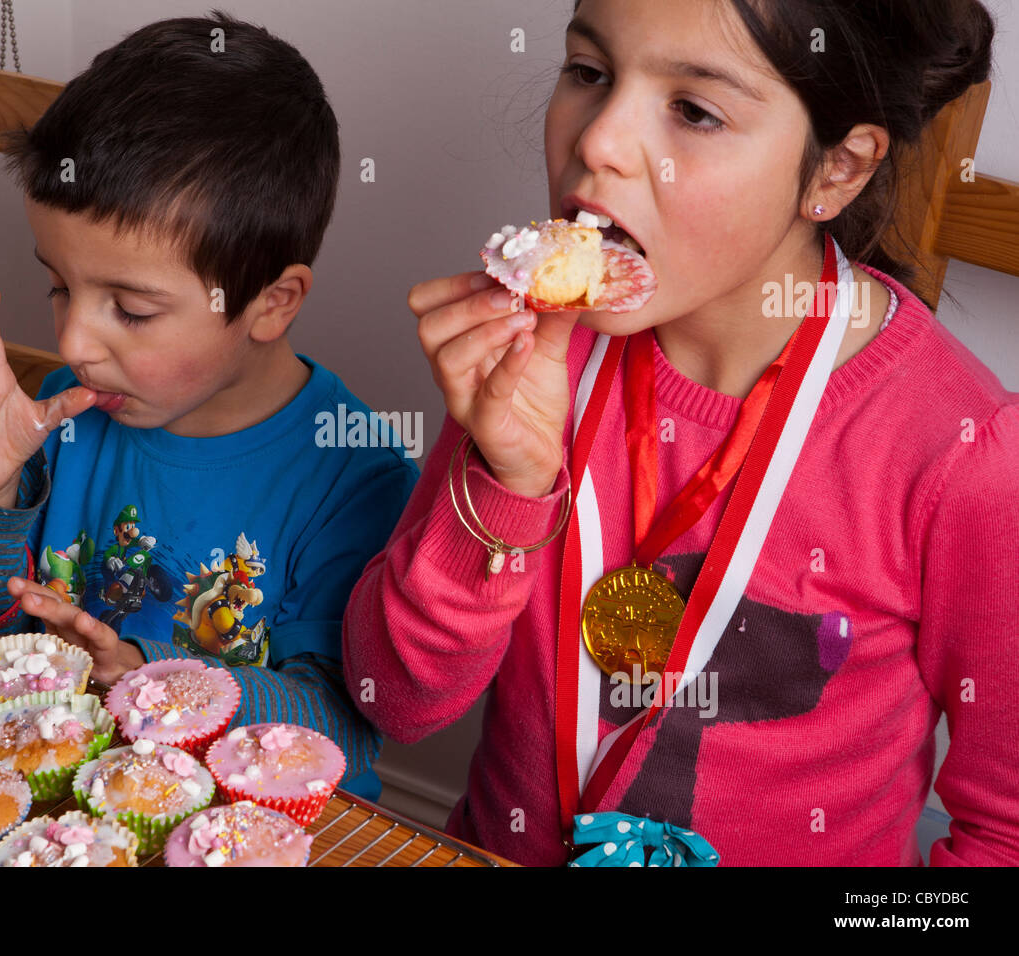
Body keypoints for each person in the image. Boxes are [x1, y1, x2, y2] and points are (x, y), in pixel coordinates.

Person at [344, 0, 1016, 864]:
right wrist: (503, 481)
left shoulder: (963, 452)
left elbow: (1004, 832)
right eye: (589, 73)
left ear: (837, 172)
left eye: (695, 111)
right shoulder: (531, 357)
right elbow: (392, 699)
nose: (598, 143)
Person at [0, 13, 419, 800]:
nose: (75, 341)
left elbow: (347, 729)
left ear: (272, 303)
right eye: (59, 284)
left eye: (132, 311)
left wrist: (155, 682)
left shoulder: (356, 476)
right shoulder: (62, 416)